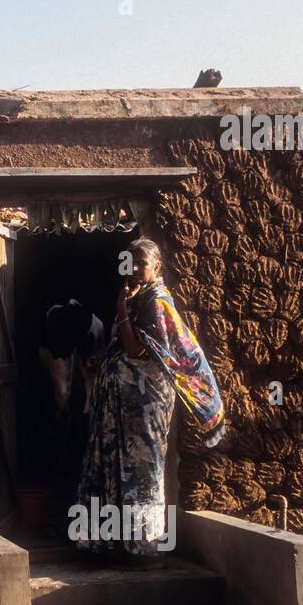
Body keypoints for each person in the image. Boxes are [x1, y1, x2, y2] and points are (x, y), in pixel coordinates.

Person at [73, 239, 225, 566]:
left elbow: (138, 352)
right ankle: (117, 544)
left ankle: (145, 548)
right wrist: (101, 361)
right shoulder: (137, 297)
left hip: (143, 406)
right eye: (129, 262)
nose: (134, 268)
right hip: (121, 408)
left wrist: (121, 312)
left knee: (141, 472)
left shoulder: (156, 303)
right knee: (115, 468)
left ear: (157, 266)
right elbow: (120, 349)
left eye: (141, 262)